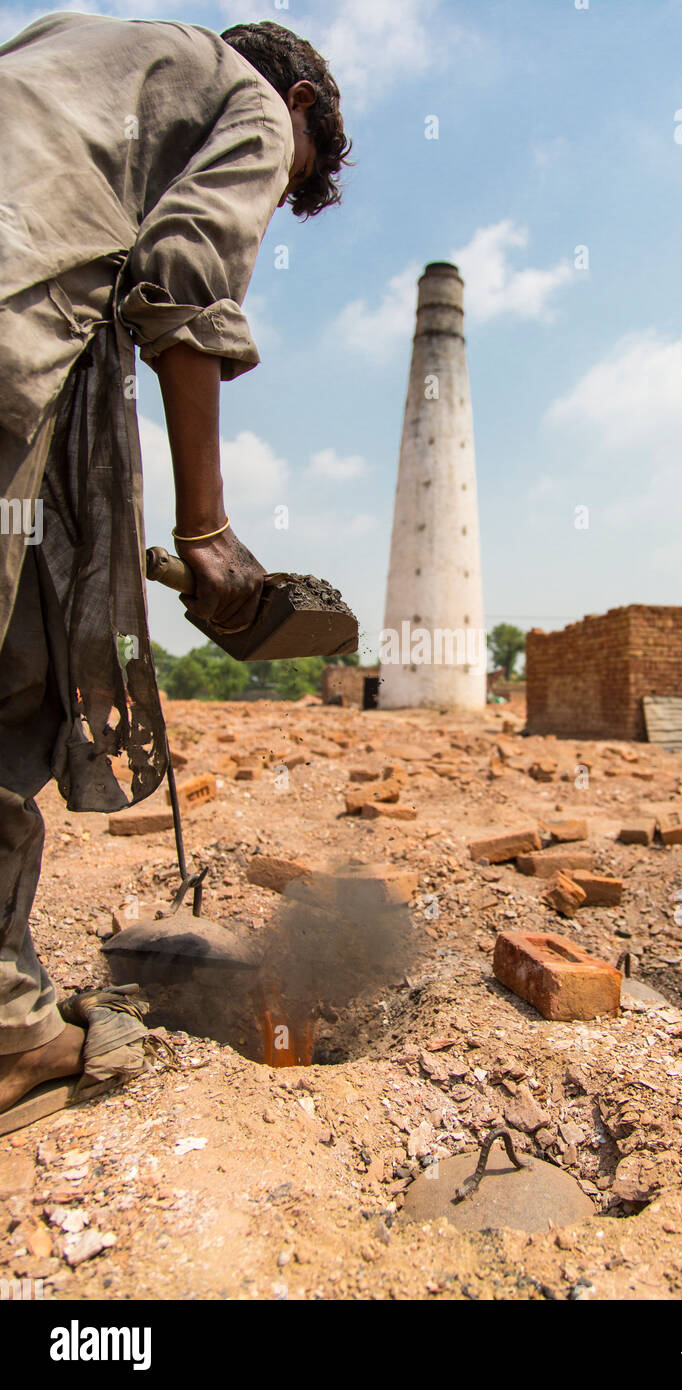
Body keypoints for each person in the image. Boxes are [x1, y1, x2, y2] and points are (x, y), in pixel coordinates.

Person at [0, 13, 350, 1129]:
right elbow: (184, 283)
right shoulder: (246, 96)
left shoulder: (68, 38)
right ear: (299, 109)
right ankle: (9, 1041)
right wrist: (206, 527)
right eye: (290, 181)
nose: (273, 198)